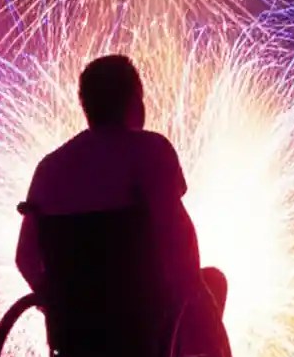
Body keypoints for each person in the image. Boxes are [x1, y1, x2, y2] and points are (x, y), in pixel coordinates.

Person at [15, 54, 226, 316]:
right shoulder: (152, 150)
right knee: (213, 282)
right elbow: (178, 234)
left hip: (78, 329)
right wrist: (196, 294)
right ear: (135, 101)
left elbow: (24, 258)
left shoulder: (48, 168)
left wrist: (57, 305)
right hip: (146, 322)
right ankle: (189, 355)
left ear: (86, 106)